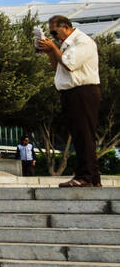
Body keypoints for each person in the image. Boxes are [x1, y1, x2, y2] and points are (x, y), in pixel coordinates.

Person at [37, 15, 102, 187]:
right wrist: (51, 51)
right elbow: (58, 68)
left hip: (83, 91)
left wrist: (54, 48)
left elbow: (69, 64)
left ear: (65, 27)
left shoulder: (82, 42)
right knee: (80, 134)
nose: (53, 35)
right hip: (71, 93)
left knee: (84, 134)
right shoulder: (66, 46)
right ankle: (93, 177)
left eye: (54, 31)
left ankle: (85, 176)